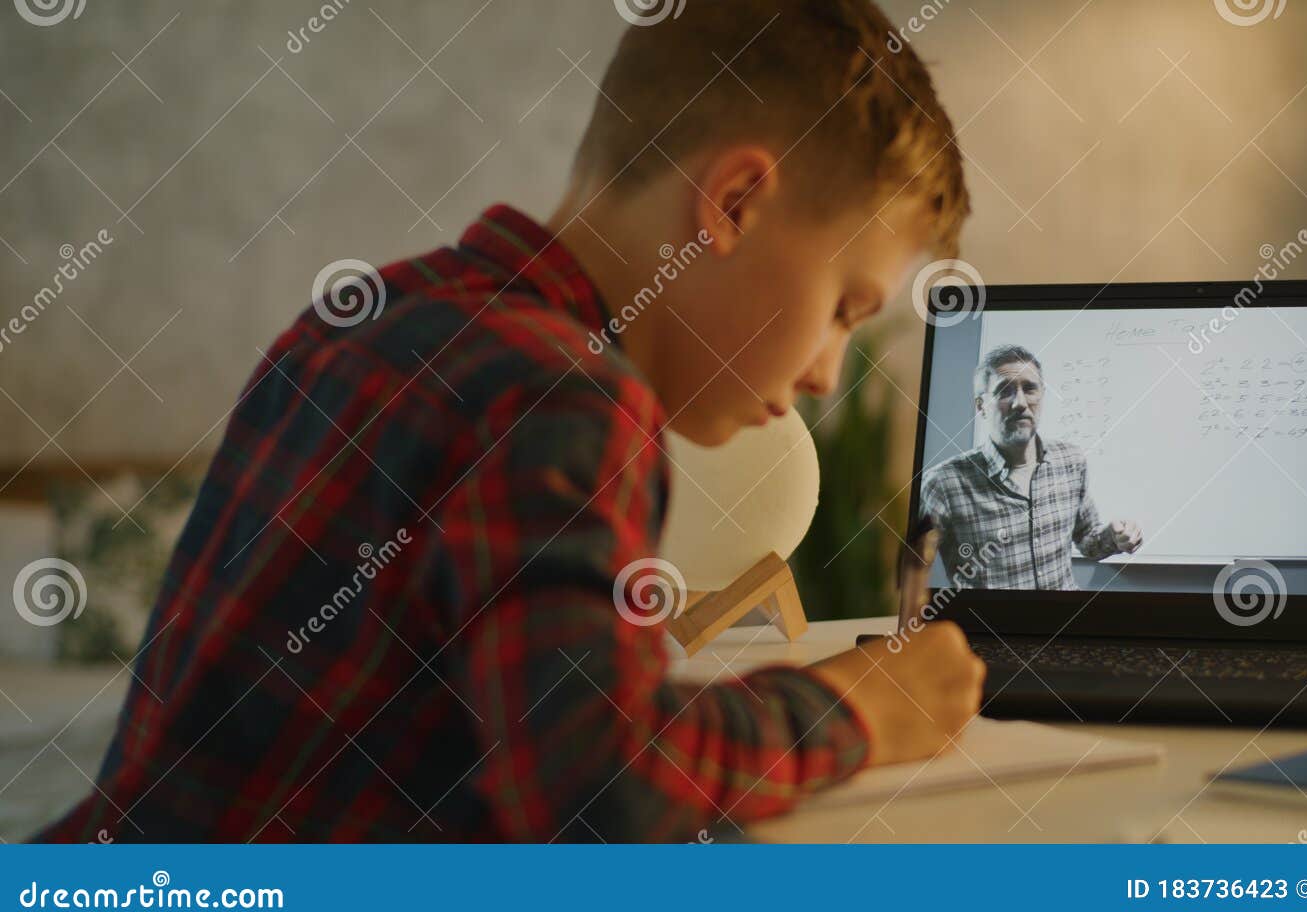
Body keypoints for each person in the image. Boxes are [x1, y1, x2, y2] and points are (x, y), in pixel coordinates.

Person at [33, 0, 983, 844]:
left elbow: (533, 741)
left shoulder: (365, 318)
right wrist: (856, 709)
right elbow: (601, 800)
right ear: (732, 204)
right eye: (847, 310)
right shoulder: (562, 396)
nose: (827, 377)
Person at [921, 345, 1144, 590]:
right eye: (1005, 391)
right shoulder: (943, 484)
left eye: (1029, 389)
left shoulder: (1071, 461)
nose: (1020, 403)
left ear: (1042, 395)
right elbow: (903, 571)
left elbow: (1088, 542)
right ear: (981, 405)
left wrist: (1113, 537)